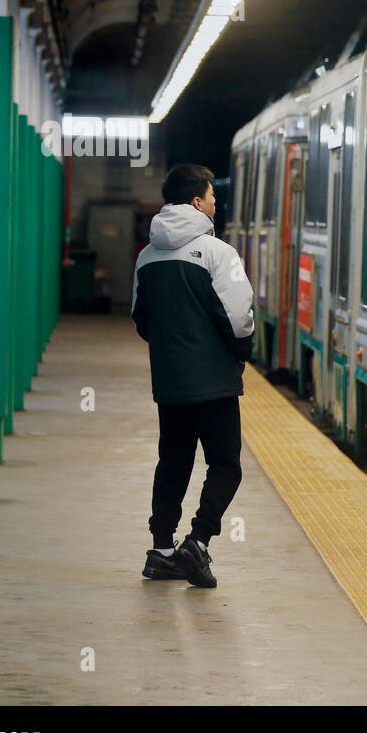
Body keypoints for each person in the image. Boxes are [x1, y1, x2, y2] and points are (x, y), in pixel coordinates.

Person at [130, 164, 254, 588]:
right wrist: (240, 350)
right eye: (213, 197)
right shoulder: (219, 253)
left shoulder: (147, 256)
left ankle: (161, 550)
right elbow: (238, 319)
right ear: (198, 201)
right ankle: (198, 543)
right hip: (215, 384)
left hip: (170, 383)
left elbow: (141, 319)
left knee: (173, 462)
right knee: (225, 465)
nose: (217, 205)